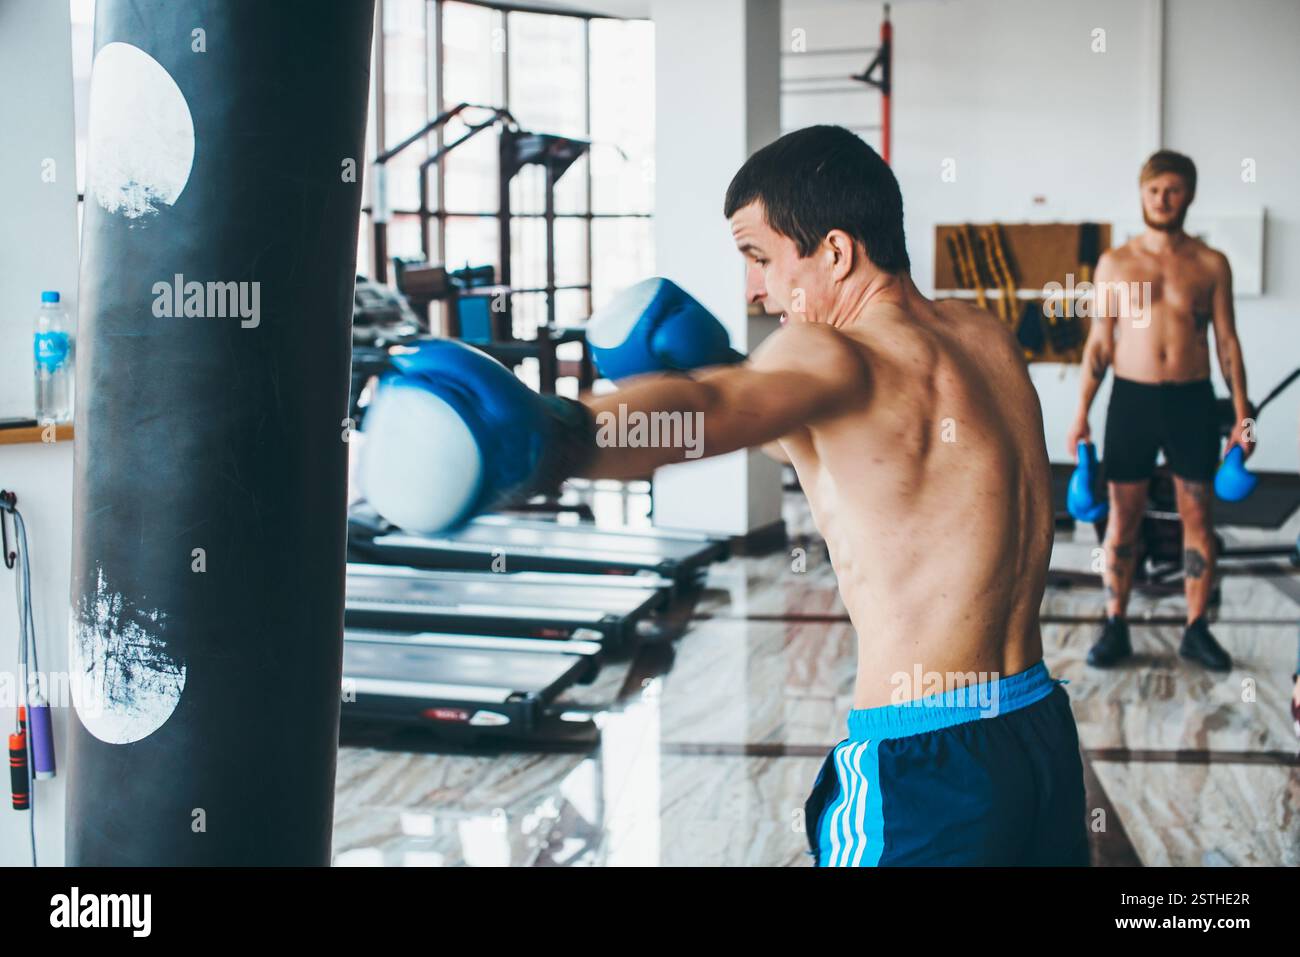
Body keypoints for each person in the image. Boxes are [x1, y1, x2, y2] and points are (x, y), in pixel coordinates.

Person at [361, 124, 1088, 866]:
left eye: (761, 257)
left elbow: (708, 412)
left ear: (835, 251)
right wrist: (725, 366)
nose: (754, 288)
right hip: (1036, 731)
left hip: (927, 761)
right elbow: (830, 429)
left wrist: (554, 435)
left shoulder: (834, 353)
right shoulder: (984, 335)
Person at [1066, 150, 1251, 672]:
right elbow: (1099, 345)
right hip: (1133, 399)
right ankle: (1115, 623)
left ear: (1188, 194)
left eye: (1172, 190)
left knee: (1199, 514)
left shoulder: (1211, 264)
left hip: (1191, 399)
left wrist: (1243, 415)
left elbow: (1228, 344)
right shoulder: (1116, 263)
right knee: (1122, 518)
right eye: (1153, 191)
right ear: (1141, 194)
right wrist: (1080, 412)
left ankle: (1196, 629)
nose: (1162, 200)